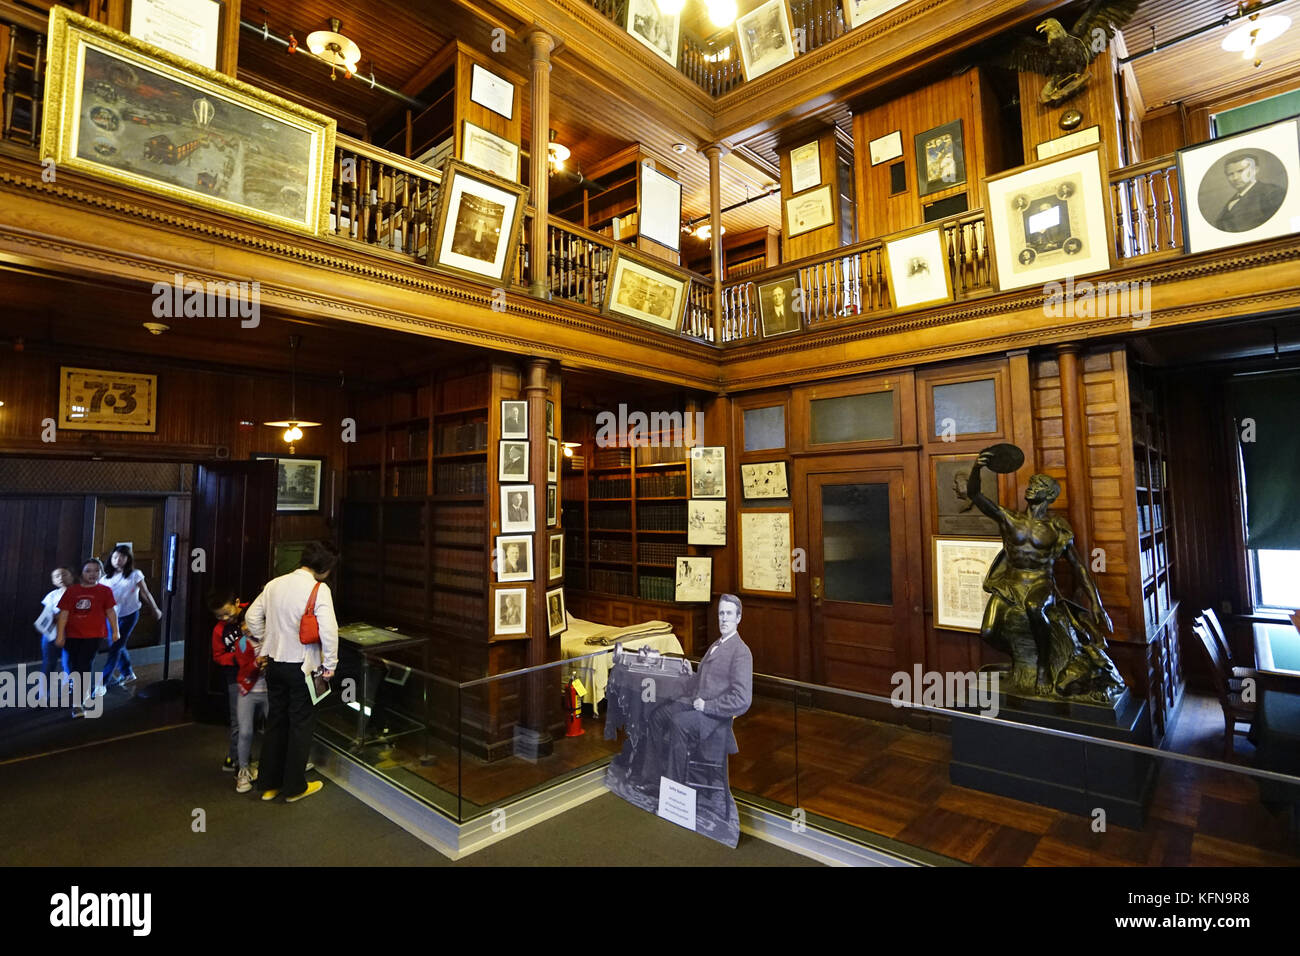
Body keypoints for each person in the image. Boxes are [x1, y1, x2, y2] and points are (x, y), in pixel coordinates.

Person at [966, 450, 1124, 699]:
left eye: (1038, 485)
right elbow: (975, 495)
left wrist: (1096, 602)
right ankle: (1021, 660)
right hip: (1010, 583)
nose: (1031, 487)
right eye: (1030, 483)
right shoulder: (1009, 519)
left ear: (1049, 495)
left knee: (1033, 608)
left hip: (1040, 583)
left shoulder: (1056, 528)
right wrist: (976, 470)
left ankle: (1042, 668)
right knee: (988, 633)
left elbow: (1078, 566)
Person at [244, 541, 338, 803]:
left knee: (276, 722)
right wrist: (330, 665)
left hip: (275, 664)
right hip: (303, 666)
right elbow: (329, 631)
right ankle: (294, 787)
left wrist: (267, 641)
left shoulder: (275, 584)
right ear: (324, 569)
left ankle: (269, 784)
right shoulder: (319, 589)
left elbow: (251, 617)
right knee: (300, 725)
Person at [642, 594, 753, 787]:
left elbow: (742, 699)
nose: (724, 618)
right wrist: (691, 673)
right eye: (721, 614)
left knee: (678, 723)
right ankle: (652, 778)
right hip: (694, 703)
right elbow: (707, 680)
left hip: (714, 716)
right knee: (657, 716)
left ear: (738, 618)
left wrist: (707, 706)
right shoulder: (717, 644)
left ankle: (673, 788)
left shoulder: (741, 652)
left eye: (729, 614)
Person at [210, 590, 268, 791]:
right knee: (239, 722)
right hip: (236, 678)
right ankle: (238, 765)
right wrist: (235, 659)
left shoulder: (251, 613)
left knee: (260, 718)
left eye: (227, 612)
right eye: (219, 616)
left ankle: (242, 758)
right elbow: (218, 656)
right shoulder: (219, 630)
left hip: (261, 678)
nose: (225, 618)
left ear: (236, 602)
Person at [55, 558, 120, 718]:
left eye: (96, 570)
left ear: (101, 572)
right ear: (81, 573)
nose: (92, 574)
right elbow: (64, 614)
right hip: (72, 635)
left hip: (94, 635)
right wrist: (60, 634)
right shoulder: (72, 591)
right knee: (73, 665)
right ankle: (79, 694)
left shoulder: (105, 591)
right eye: (88, 571)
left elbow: (111, 612)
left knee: (84, 665)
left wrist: (115, 631)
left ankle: (78, 704)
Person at [100, 545, 162, 688]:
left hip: (129, 615)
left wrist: (155, 609)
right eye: (115, 557)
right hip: (112, 617)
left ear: (128, 559)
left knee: (115, 647)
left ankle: (102, 682)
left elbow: (145, 593)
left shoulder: (135, 574)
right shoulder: (105, 579)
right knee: (116, 644)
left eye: (122, 557)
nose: (118, 560)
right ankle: (128, 673)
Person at [1213, 152, 1285, 232]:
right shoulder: (1232, 201)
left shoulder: (1271, 192)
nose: (1235, 177)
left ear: (1255, 170)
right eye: (1230, 174)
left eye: (1241, 171)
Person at [35, 568, 74, 703]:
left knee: (68, 663)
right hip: (51, 634)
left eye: (64, 574)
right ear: (53, 580)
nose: (60, 577)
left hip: (72, 634)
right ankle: (42, 695)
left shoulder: (78, 594)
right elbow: (47, 615)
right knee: (48, 663)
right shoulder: (52, 595)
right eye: (56, 576)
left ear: (71, 576)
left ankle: (66, 692)